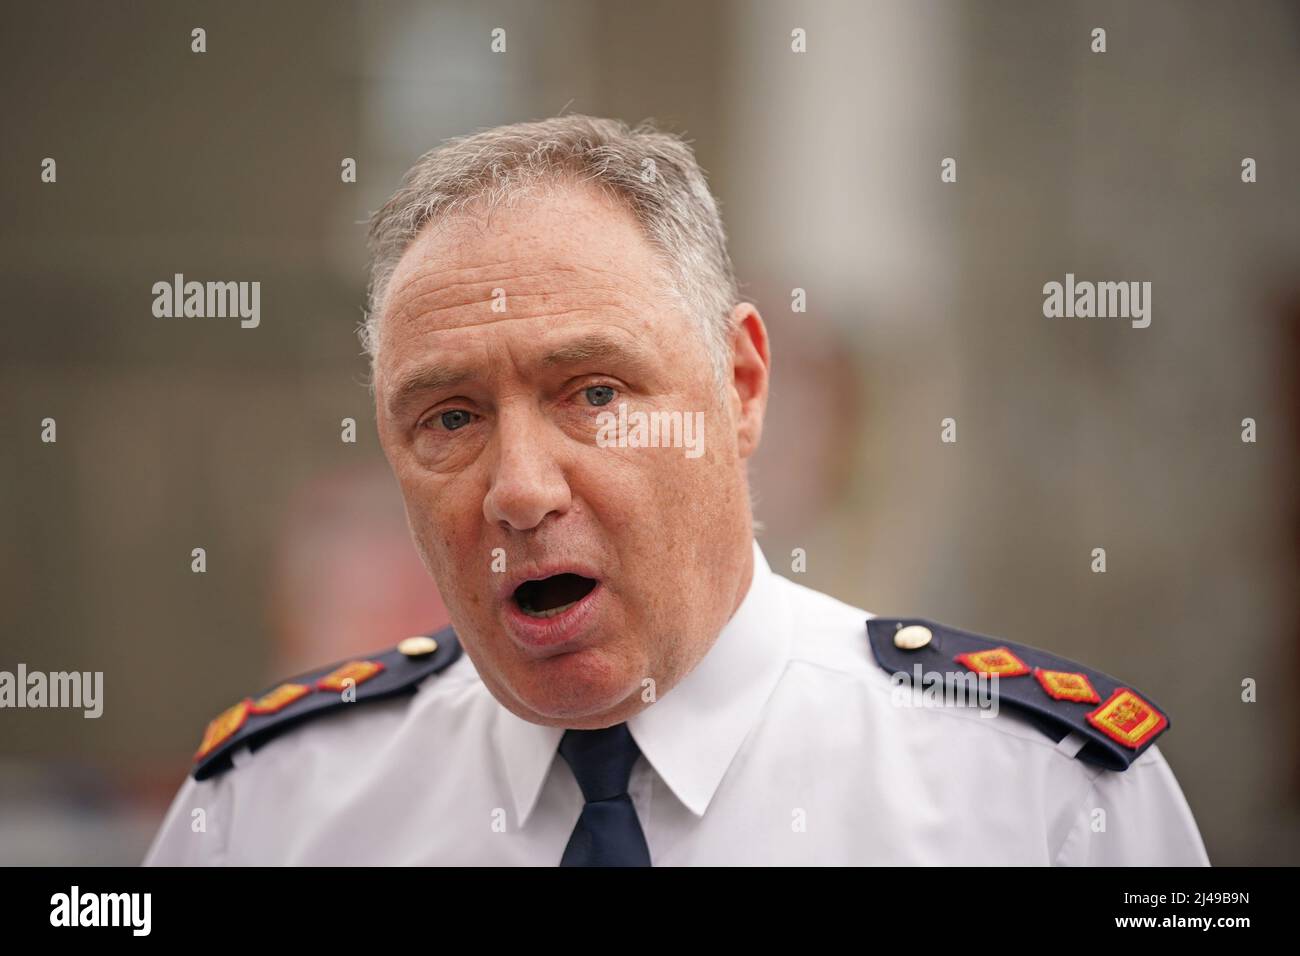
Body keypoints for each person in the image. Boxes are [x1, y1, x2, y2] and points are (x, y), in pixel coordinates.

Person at [144, 115, 1209, 866]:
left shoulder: (1038, 801)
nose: (518, 489)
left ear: (741, 386)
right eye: (451, 417)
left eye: (594, 392)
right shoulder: (268, 812)